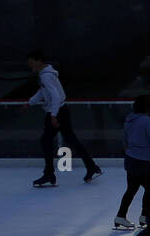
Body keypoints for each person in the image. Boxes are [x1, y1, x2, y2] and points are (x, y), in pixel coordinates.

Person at [23, 50, 100, 186]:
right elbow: (43, 91)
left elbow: (56, 96)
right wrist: (30, 102)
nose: (30, 65)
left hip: (57, 112)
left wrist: (53, 115)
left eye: (31, 62)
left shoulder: (46, 76)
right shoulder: (46, 74)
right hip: (61, 110)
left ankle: (49, 174)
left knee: (46, 140)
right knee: (69, 140)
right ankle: (91, 166)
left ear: (39, 61)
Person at [115, 95, 150, 229]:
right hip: (142, 162)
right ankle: (144, 216)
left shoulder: (129, 120)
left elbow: (125, 141)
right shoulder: (148, 121)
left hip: (131, 159)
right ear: (147, 107)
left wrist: (131, 153)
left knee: (132, 189)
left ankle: (121, 216)